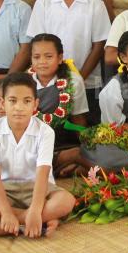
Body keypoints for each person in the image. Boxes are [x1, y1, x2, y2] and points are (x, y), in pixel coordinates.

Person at [0, 72, 76, 241]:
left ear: (35, 104)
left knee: (66, 201)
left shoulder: (45, 132)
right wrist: (6, 212)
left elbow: (42, 175)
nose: (19, 107)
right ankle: (31, 222)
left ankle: (0, 228)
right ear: (2, 103)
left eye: (27, 101)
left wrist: (36, 211)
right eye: (12, 101)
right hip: (5, 190)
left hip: (38, 189)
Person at [26, 0, 111, 125]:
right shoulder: (43, 4)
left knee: (86, 131)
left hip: (88, 82)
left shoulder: (96, 5)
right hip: (50, 84)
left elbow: (98, 46)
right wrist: (60, 80)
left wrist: (77, 80)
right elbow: (37, 44)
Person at [28, 33, 88, 175]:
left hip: (62, 143)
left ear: (60, 58)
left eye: (48, 56)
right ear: (30, 59)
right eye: (36, 57)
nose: (42, 61)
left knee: (81, 153)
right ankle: (69, 166)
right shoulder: (23, 82)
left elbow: (78, 119)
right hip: (32, 146)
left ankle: (71, 164)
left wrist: (88, 147)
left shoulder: (73, 81)